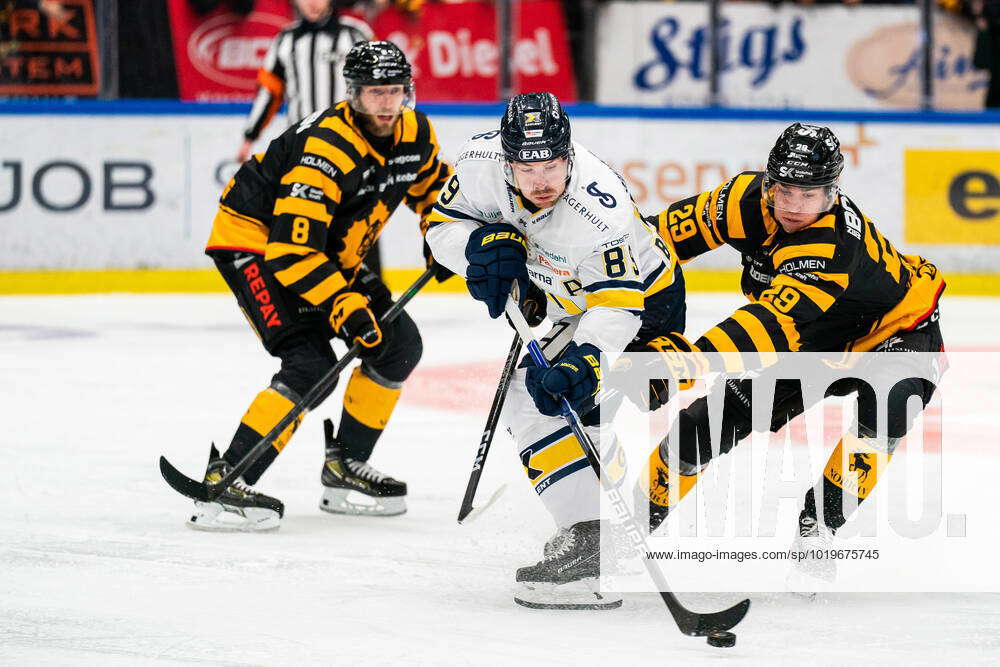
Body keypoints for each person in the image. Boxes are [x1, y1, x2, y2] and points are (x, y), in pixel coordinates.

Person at [639, 123, 946, 587]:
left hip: (896, 331)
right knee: (706, 424)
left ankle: (819, 527)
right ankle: (628, 524)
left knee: (890, 405)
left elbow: (770, 325)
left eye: (810, 193)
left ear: (832, 191)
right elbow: (649, 244)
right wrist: (578, 279)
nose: (794, 205)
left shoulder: (832, 242)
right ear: (768, 181)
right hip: (816, 334)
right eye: (784, 189)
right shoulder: (740, 200)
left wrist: (686, 361)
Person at [425, 92, 686, 609]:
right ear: (506, 159)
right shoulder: (478, 164)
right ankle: (591, 538)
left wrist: (589, 358)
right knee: (532, 399)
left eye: (552, 165)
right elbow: (442, 230)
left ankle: (593, 542)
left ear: (569, 155)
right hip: (564, 295)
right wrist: (477, 249)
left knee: (580, 405)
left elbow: (617, 307)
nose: (542, 180)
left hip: (639, 302)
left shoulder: (598, 210)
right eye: (527, 167)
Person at [189, 40, 453, 532]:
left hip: (329, 248)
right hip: (257, 243)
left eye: (395, 91)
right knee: (312, 364)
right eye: (375, 92)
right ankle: (228, 477)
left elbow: (436, 191)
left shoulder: (415, 132)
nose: (386, 103)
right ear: (353, 93)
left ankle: (345, 467)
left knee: (398, 346)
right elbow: (290, 251)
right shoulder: (328, 149)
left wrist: (444, 238)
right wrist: (342, 303)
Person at [237, 0, 374, 164]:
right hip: (302, 144)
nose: (312, 3)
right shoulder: (286, 39)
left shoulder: (355, 34)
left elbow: (379, 86)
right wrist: (249, 137)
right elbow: (269, 92)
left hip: (351, 143)